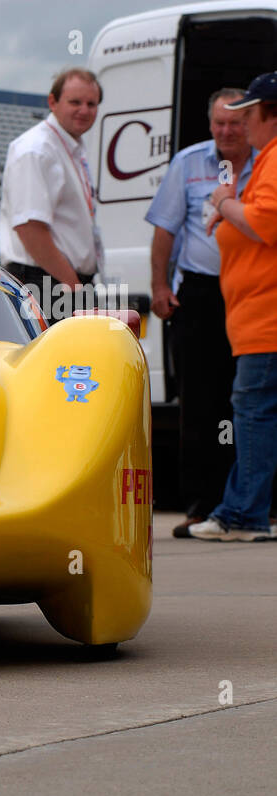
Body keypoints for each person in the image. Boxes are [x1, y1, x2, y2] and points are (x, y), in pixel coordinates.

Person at [146, 88, 254, 537]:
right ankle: (201, 504)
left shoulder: (266, 162)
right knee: (200, 403)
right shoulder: (188, 163)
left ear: (251, 123)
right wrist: (158, 285)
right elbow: (166, 230)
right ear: (209, 124)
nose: (227, 131)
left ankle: (253, 500)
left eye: (235, 122)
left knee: (250, 401)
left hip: (253, 292)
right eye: (219, 123)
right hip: (202, 295)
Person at [190, 72, 277, 541]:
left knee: (254, 417)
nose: (242, 125)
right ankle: (239, 510)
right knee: (255, 417)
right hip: (258, 318)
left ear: (267, 113)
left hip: (267, 319)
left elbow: (264, 222)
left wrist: (224, 203)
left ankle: (244, 514)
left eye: (249, 114)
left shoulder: (275, 157)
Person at [0, 68, 103, 321]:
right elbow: (30, 229)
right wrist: (75, 287)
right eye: (75, 102)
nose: (85, 110)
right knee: (61, 359)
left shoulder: (69, 147)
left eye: (91, 103)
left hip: (61, 282)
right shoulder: (36, 150)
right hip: (46, 283)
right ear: (53, 102)